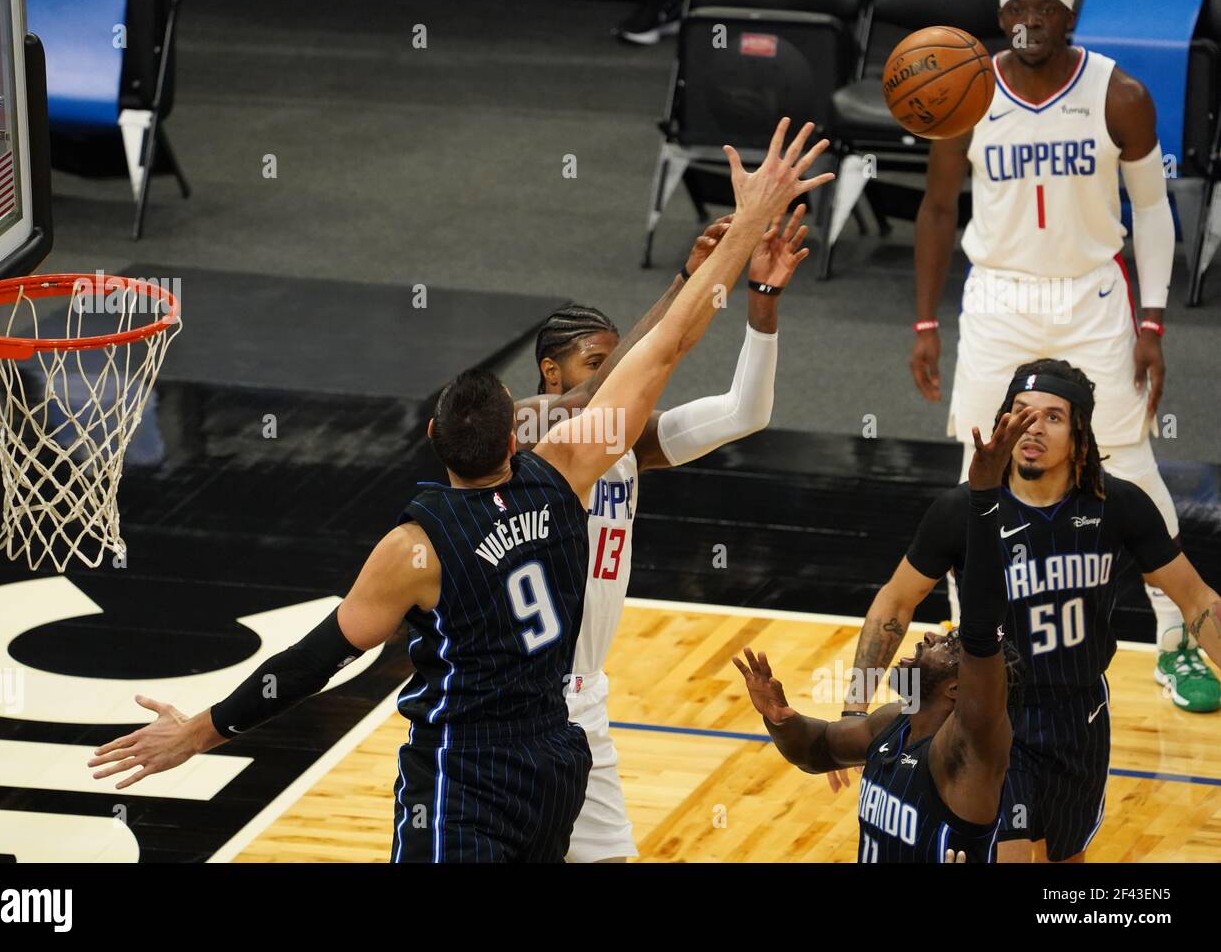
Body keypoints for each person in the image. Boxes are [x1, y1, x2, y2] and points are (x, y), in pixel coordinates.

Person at [86, 117, 834, 863]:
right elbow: (671, 343)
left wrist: (200, 730)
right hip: (554, 756)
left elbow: (314, 661)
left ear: (430, 440)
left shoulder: (415, 551)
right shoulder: (565, 473)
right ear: (519, 435)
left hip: (469, 772)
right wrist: (749, 228)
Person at [907, 0, 1215, 710]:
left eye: (1045, 8)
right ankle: (977, 652)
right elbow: (937, 208)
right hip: (998, 297)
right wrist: (925, 323)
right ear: (1003, 11)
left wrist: (1154, 322)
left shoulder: (1121, 94)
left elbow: (1153, 208)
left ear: (1071, 16)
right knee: (980, 474)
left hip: (1091, 296)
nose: (1030, 20)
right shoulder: (968, 88)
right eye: (1018, 7)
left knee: (1128, 465)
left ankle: (1177, 641)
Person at [513, 204, 813, 862]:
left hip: (584, 696)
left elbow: (745, 412)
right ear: (552, 373)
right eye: (600, 362)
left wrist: (761, 306)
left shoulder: (630, 443)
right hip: (515, 697)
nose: (621, 374)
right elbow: (607, 394)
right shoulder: (525, 432)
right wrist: (687, 281)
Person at [840, 359, 1221, 862]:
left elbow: (1197, 601)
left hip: (1078, 714)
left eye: (1052, 417)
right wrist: (854, 708)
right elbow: (896, 602)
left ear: (1079, 434)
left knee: (1067, 860)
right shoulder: (963, 512)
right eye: (1020, 413)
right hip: (990, 716)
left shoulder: (1119, 506)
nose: (1032, 427)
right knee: (1010, 855)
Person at [734, 408, 1036, 862]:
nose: (931, 637)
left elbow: (981, 622)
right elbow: (815, 751)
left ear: (961, 686)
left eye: (949, 646)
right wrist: (780, 718)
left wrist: (984, 495)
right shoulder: (894, 722)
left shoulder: (971, 747)